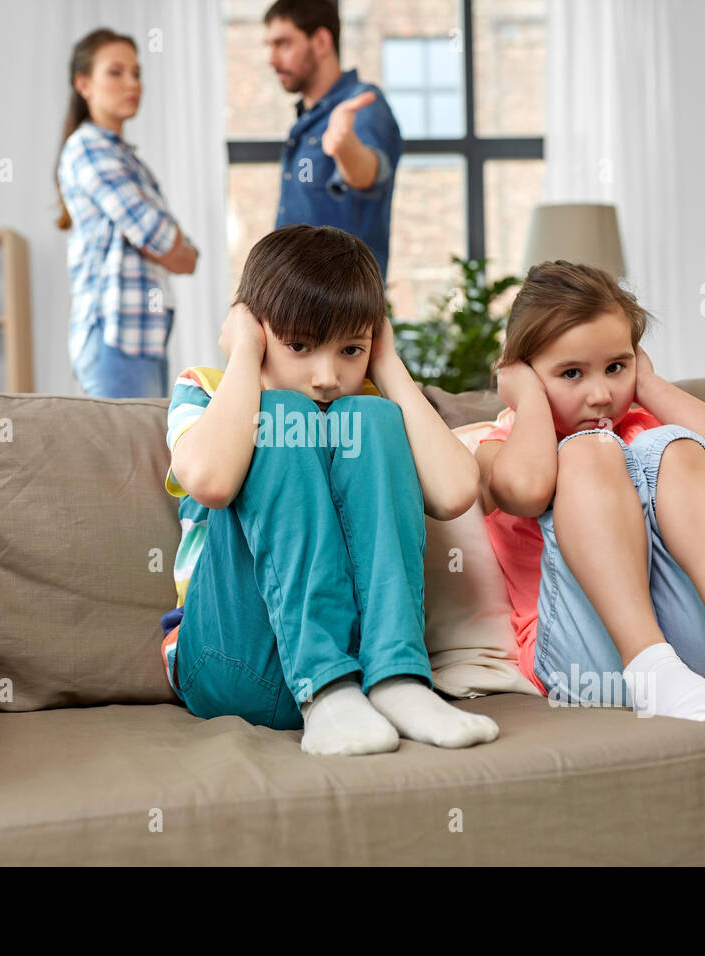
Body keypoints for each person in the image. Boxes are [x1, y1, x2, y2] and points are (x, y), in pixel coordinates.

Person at [159, 224, 498, 755]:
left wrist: (385, 364)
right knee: (281, 416)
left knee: (371, 418)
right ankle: (325, 690)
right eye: (298, 346)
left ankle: (398, 681)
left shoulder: (362, 400)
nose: (326, 377)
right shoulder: (208, 390)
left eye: (350, 349)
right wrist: (245, 357)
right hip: (235, 661)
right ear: (254, 326)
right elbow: (211, 482)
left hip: (362, 666)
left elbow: (456, 493)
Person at [477, 260, 705, 721]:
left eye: (615, 366)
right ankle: (649, 669)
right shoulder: (499, 448)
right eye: (571, 374)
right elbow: (525, 491)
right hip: (584, 661)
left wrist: (648, 383)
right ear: (523, 374)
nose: (600, 394)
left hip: (697, 659)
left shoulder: (645, 428)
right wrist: (530, 400)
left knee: (673, 444)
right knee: (591, 449)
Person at [55, 29, 200, 398]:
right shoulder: (89, 148)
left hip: (142, 339)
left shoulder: (126, 157)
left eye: (136, 73)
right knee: (132, 455)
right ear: (83, 84)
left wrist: (170, 245)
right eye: (116, 72)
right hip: (114, 340)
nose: (132, 83)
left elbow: (185, 256)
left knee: (148, 452)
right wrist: (171, 244)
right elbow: (160, 235)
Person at [264, 0, 402, 281]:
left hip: (338, 313)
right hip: (293, 304)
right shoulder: (305, 119)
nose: (272, 59)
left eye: (283, 44)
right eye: (269, 46)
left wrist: (344, 145)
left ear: (322, 41)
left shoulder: (362, 106)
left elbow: (368, 175)